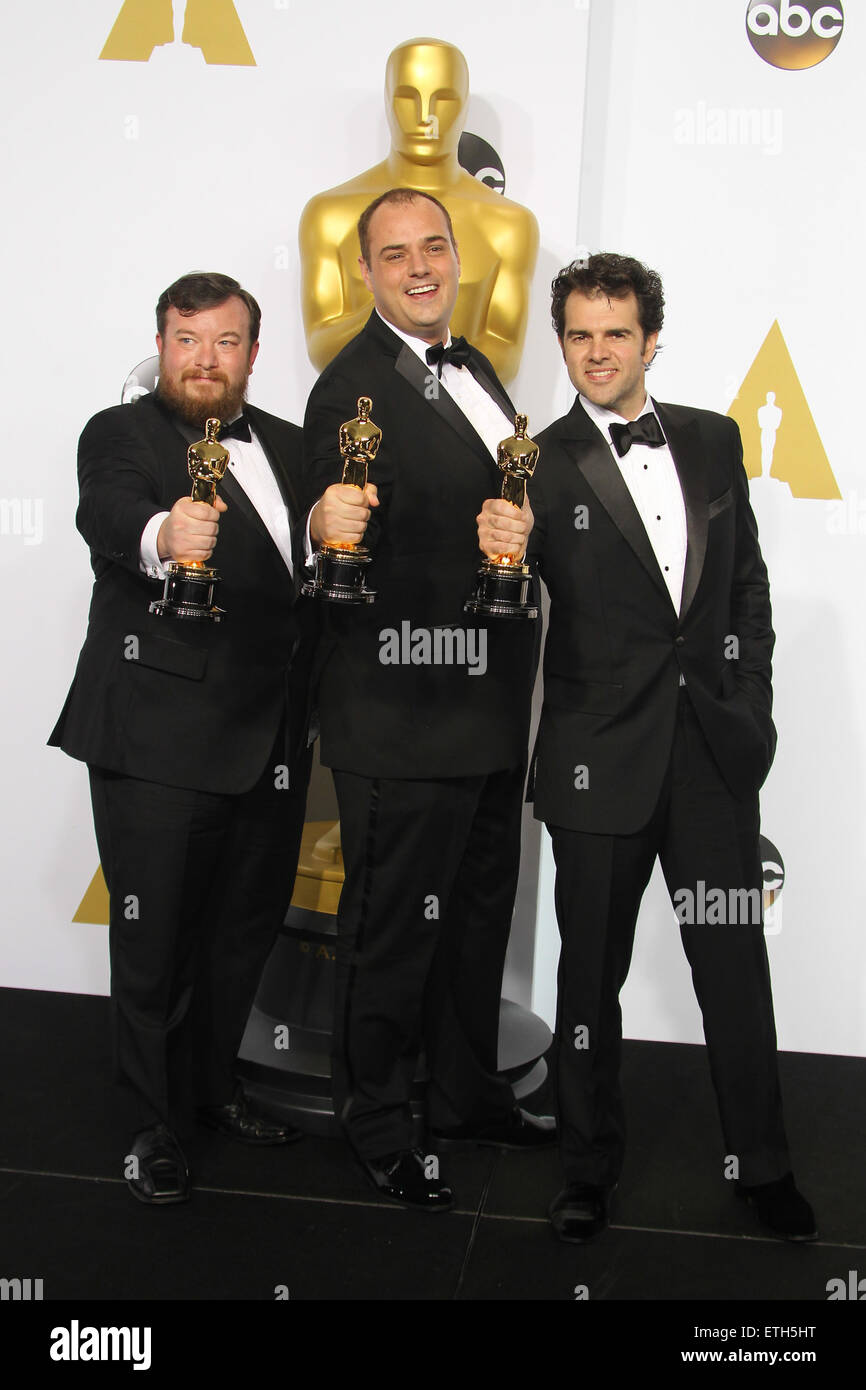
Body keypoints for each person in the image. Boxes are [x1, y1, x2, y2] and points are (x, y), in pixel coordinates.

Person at [479, 253, 816, 1243]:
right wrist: (501, 558)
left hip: (711, 755)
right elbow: (500, 613)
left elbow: (745, 587)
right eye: (579, 335)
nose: (596, 352)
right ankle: (586, 1171)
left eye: (615, 333)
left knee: (735, 975)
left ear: (650, 340)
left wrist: (749, 705)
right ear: (562, 343)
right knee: (587, 981)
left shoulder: (712, 440)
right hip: (596, 762)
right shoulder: (532, 462)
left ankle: (764, 1167)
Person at [299, 187, 553, 1211]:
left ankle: (463, 1095)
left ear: (456, 257)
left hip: (487, 705)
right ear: (365, 271)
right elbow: (335, 519)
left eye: (433, 247)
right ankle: (375, 1123)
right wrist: (326, 519)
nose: (418, 267)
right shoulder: (347, 391)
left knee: (476, 917)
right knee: (393, 930)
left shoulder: (478, 369)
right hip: (401, 711)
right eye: (395, 253)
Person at [50, 272, 314, 1204]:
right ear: (161, 345)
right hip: (156, 737)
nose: (206, 359)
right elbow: (108, 512)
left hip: (271, 740)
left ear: (253, 352)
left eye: (226, 341)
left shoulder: (292, 445)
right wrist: (166, 535)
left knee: (241, 935)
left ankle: (209, 1090)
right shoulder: (121, 434)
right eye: (187, 339)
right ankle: (149, 1126)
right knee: (153, 940)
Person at [298, 37, 538, 385]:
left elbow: (505, 355)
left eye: (444, 99)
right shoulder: (329, 215)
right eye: (407, 98)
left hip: (464, 413)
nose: (426, 116)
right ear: (387, 100)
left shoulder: (510, 224)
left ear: (464, 106)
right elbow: (322, 348)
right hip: (360, 410)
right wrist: (401, 305)